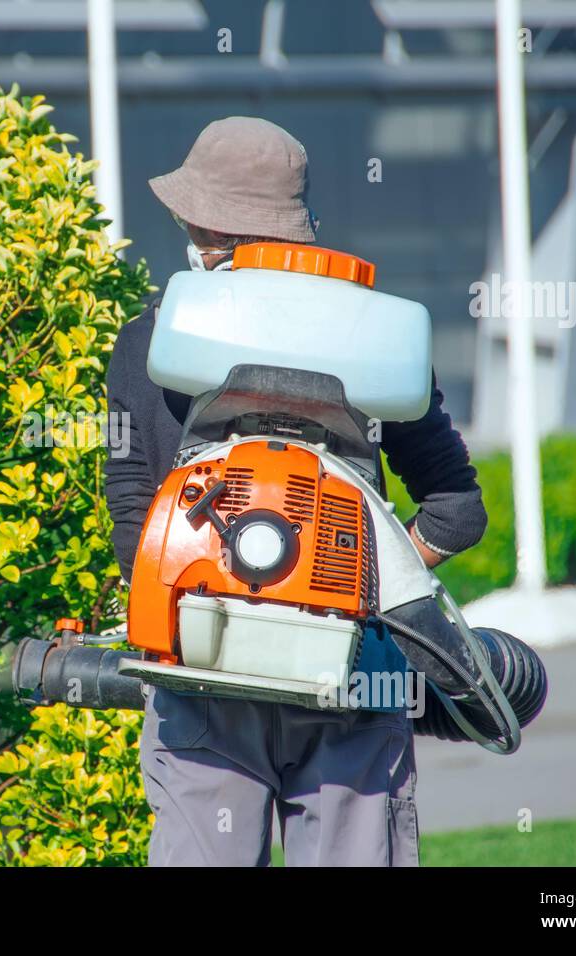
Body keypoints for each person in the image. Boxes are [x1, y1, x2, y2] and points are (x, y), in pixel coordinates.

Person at [104, 116, 488, 866]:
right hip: (353, 681)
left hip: (202, 675)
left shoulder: (148, 339)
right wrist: (363, 580)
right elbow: (456, 510)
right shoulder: (379, 342)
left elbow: (132, 511)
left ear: (200, 224)